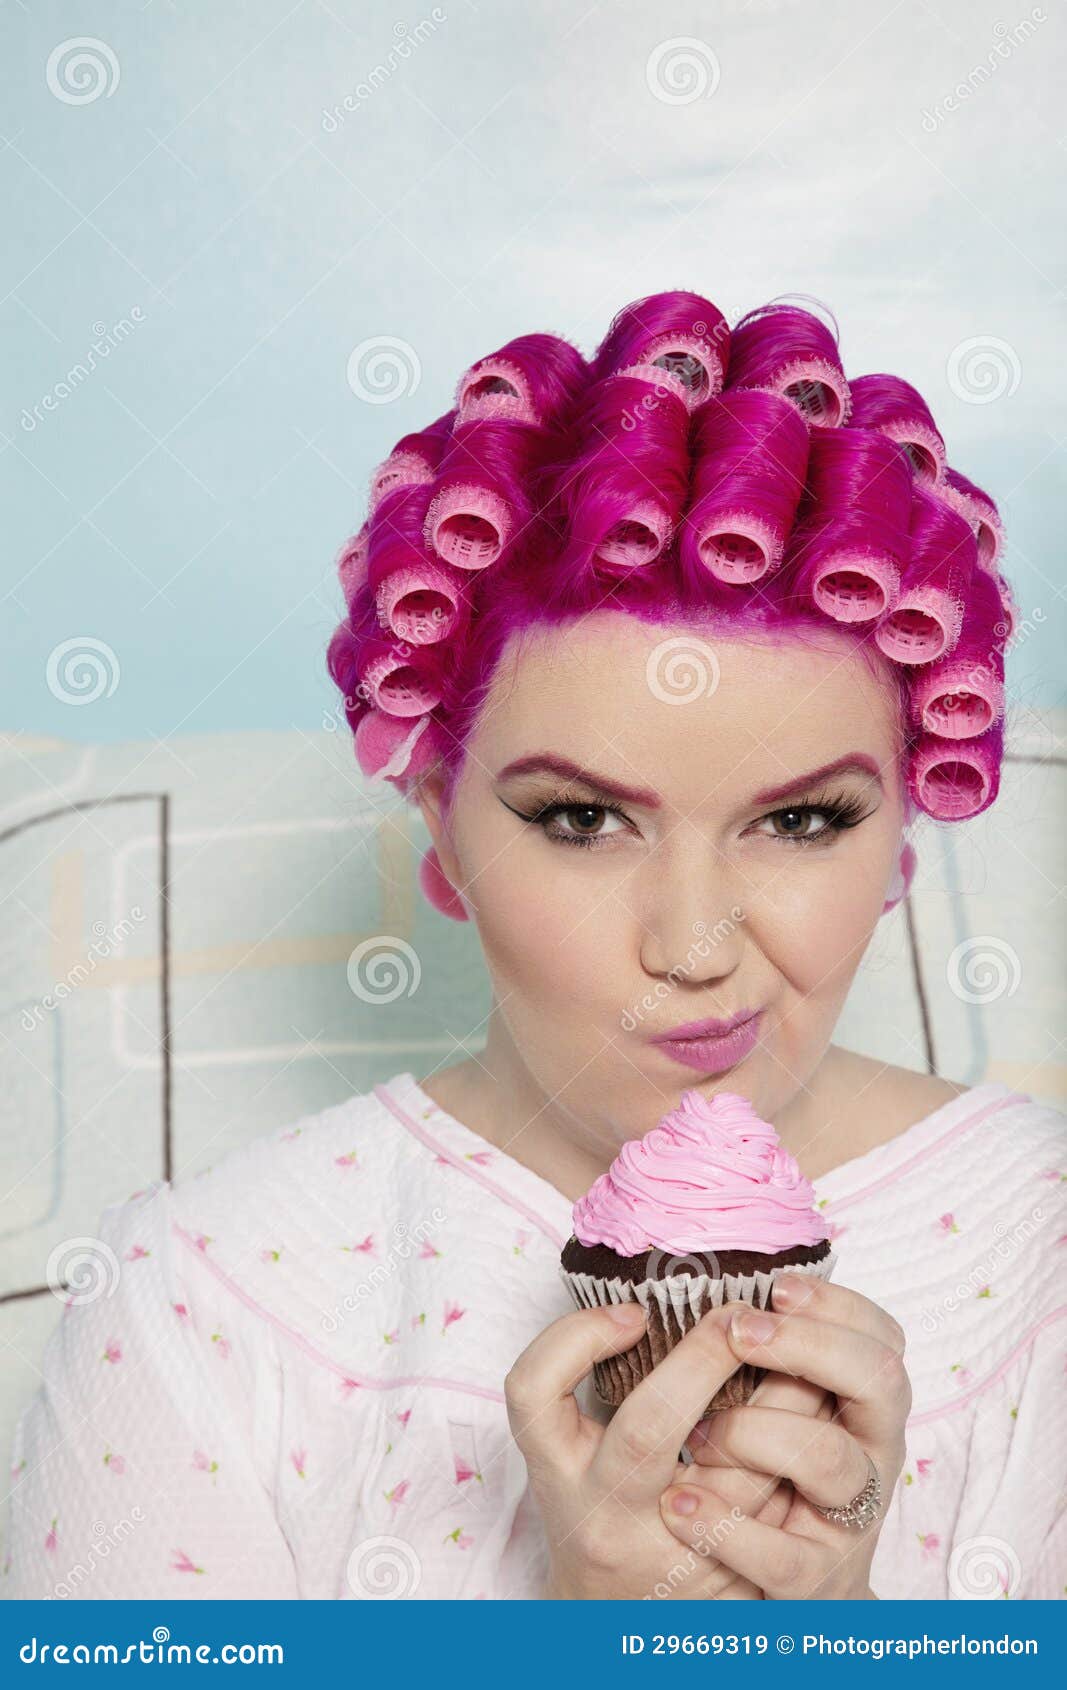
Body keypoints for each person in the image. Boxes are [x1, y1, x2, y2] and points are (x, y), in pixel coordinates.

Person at [3, 292, 1063, 1601]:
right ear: (437, 821)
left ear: (906, 816)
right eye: (580, 818)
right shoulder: (197, 1307)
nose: (693, 946)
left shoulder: (1046, 1260)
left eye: (800, 818)